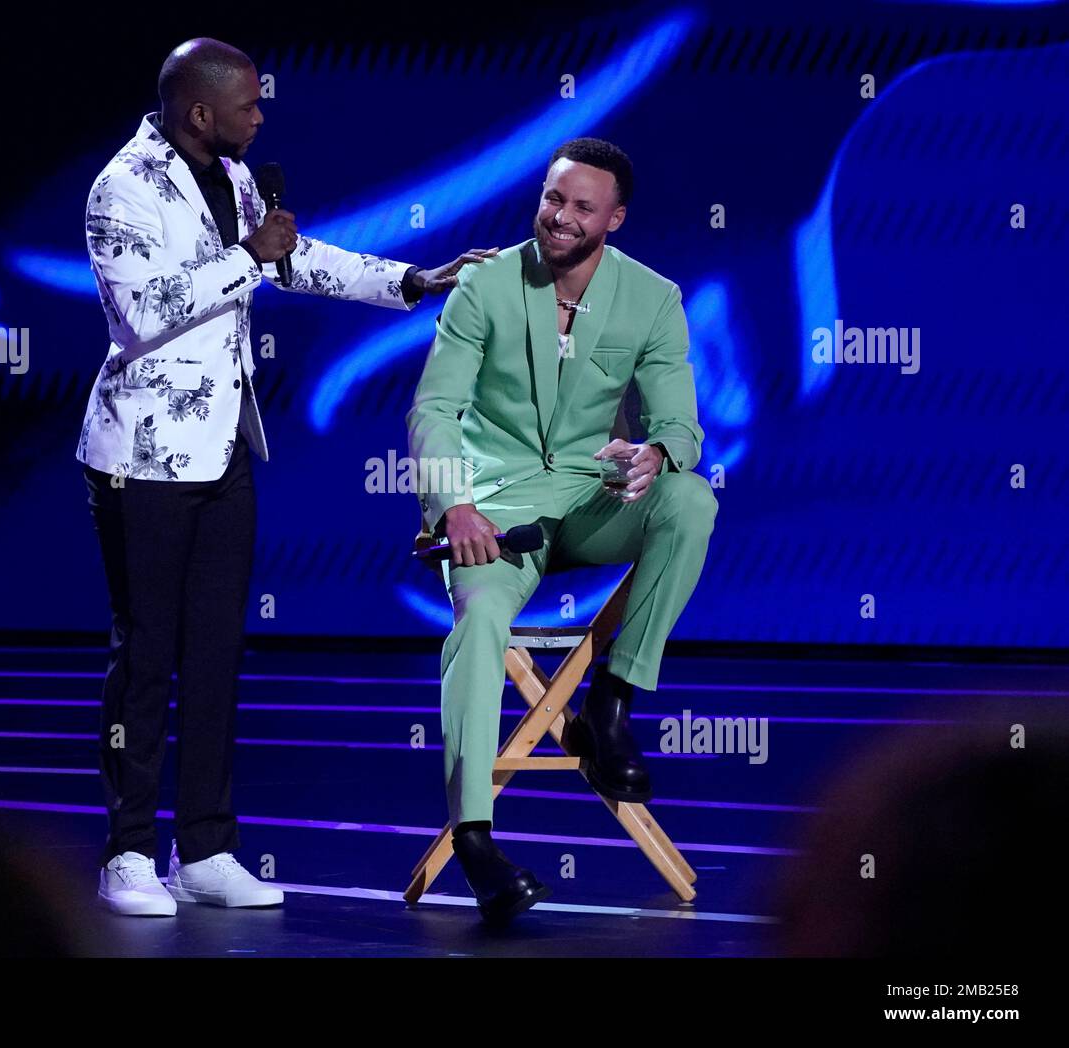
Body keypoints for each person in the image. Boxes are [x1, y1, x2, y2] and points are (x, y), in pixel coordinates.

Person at [78, 37, 493, 916]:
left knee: (217, 652)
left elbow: (296, 257)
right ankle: (126, 854)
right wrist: (248, 258)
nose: (261, 118)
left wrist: (416, 280)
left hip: (225, 449)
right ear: (200, 112)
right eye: (249, 106)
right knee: (147, 656)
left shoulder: (230, 177)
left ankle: (207, 850)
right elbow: (140, 317)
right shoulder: (122, 188)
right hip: (143, 458)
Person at [406, 138, 718, 923]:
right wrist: (453, 507)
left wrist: (655, 452)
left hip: (591, 500)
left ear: (613, 218)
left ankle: (612, 702)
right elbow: (434, 409)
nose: (561, 216)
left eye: (583, 206)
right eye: (553, 197)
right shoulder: (483, 283)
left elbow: (680, 422)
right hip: (492, 511)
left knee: (691, 501)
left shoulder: (653, 298)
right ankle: (476, 841)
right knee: (478, 624)